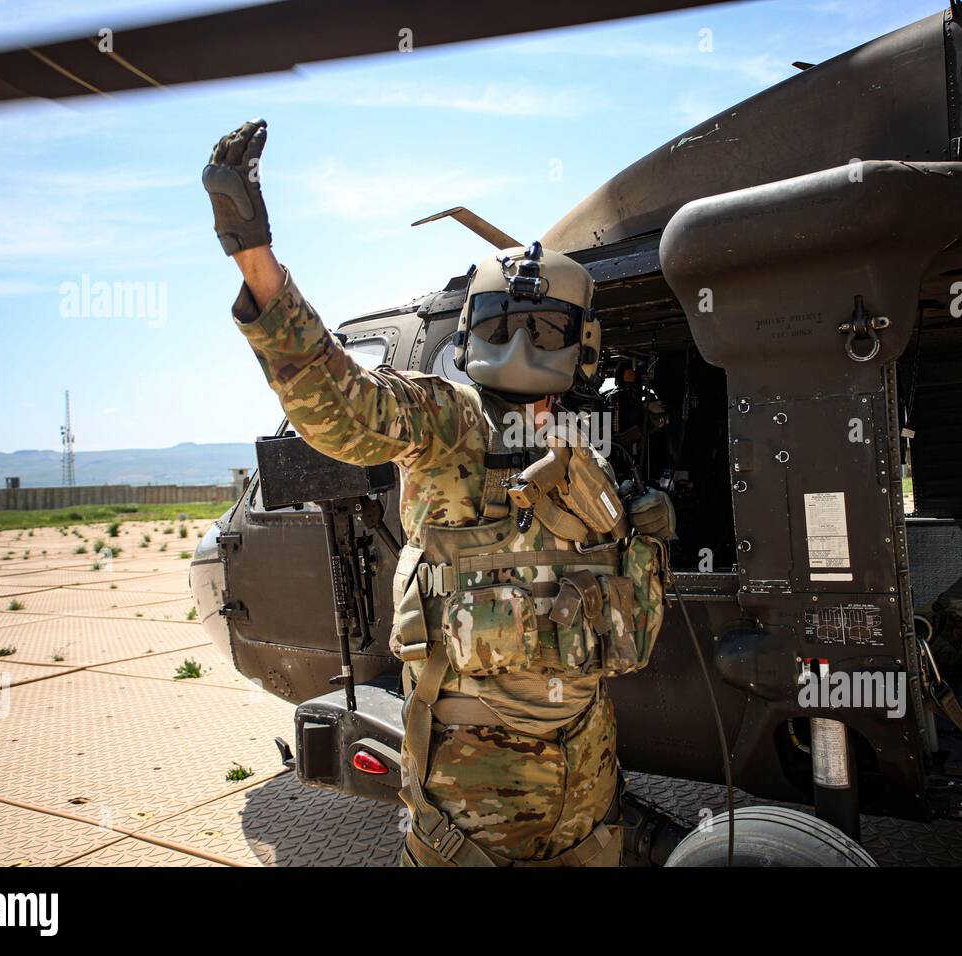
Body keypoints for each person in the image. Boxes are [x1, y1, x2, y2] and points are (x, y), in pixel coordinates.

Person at [203, 120, 671, 866]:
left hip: (585, 777)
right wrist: (255, 257)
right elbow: (338, 401)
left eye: (543, 326)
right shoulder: (449, 422)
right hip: (472, 795)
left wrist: (645, 537)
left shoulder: (583, 456)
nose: (525, 342)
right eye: (512, 323)